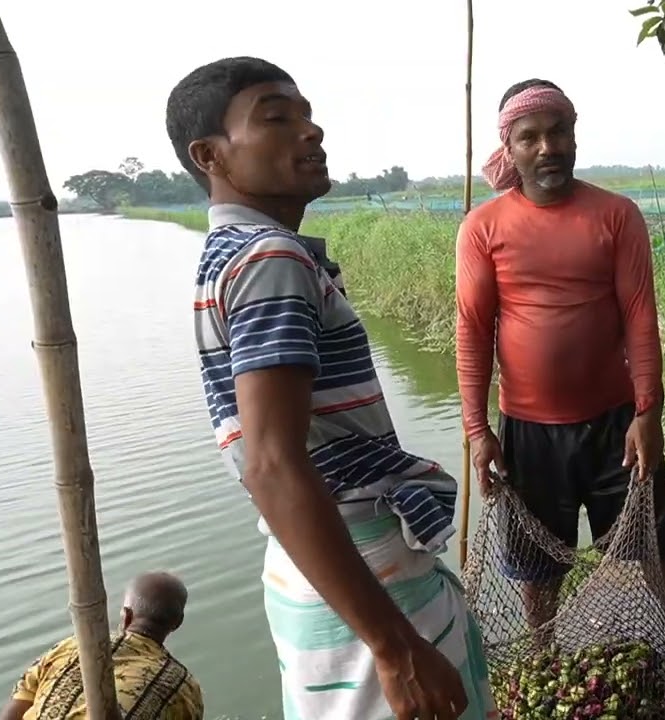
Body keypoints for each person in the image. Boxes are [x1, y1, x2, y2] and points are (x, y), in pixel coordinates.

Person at [165, 57, 493, 720]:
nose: (310, 132)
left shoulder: (227, 255)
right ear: (210, 156)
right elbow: (271, 462)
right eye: (276, 118)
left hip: (310, 566)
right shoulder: (269, 258)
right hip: (362, 567)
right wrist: (395, 648)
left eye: (308, 115)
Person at [455, 78, 665, 713]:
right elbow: (472, 327)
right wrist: (476, 429)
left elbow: (639, 317)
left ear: (575, 136)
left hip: (613, 425)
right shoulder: (483, 226)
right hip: (527, 431)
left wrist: (647, 413)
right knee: (535, 569)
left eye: (558, 132)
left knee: (660, 545)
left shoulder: (615, 213)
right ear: (509, 148)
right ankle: (539, 670)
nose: (547, 147)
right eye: (530, 137)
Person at [0, 572, 203, 720]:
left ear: (126, 615)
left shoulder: (71, 647)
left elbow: (18, 705)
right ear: (178, 622)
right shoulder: (182, 686)